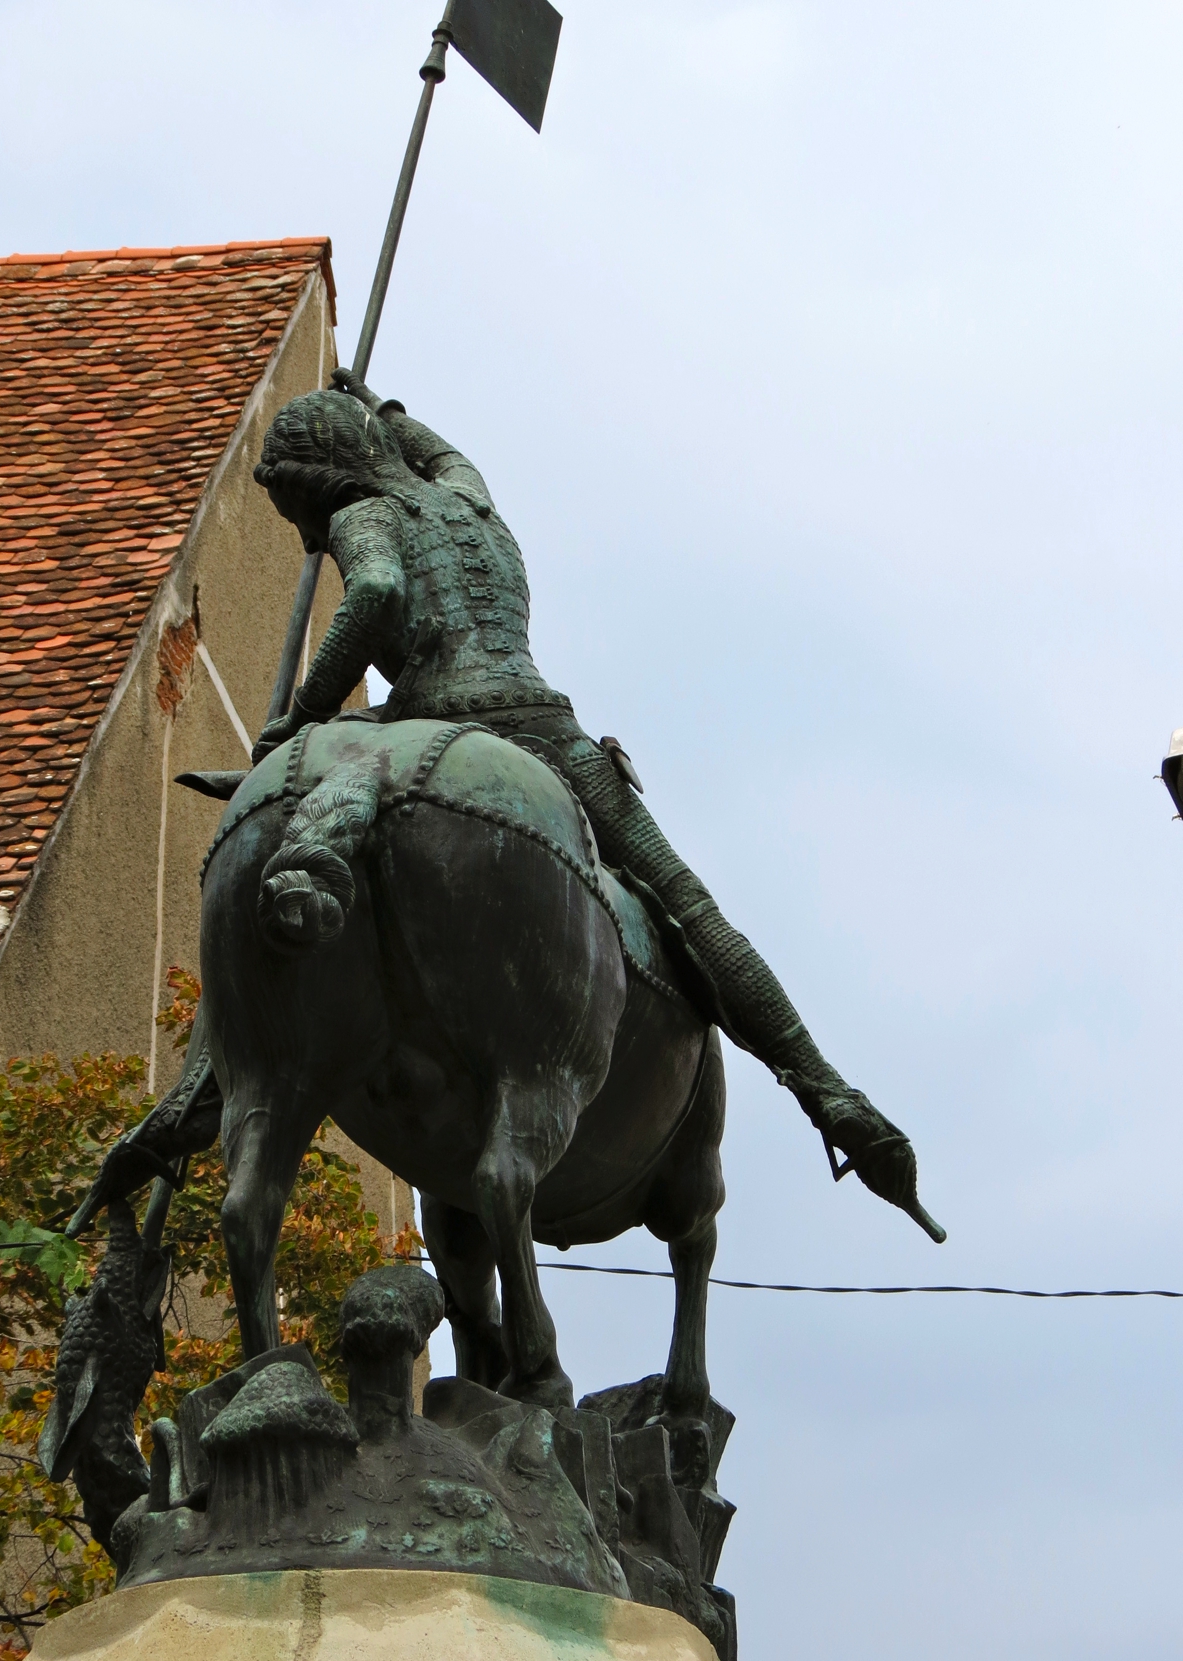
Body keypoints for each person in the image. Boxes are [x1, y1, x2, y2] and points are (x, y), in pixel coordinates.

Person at [251, 370, 929, 1216]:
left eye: (297, 519)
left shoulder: (365, 516)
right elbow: (442, 450)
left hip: (438, 716)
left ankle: (217, 1087)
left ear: (318, 482)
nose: (308, 536)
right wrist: (380, 402)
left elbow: (379, 594)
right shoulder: (470, 501)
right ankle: (831, 1094)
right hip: (551, 730)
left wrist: (301, 716)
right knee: (691, 911)